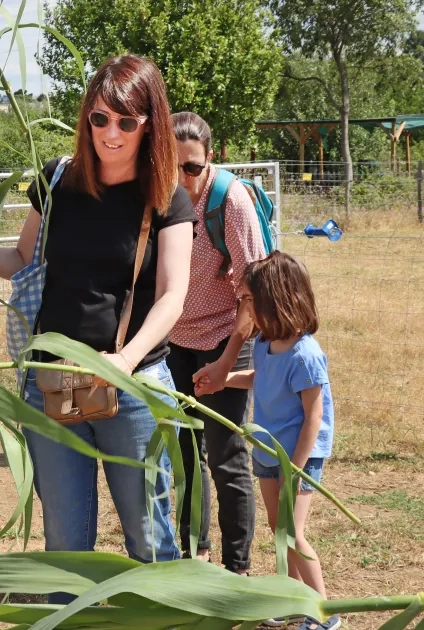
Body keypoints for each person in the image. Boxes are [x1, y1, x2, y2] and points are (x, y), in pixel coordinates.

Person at [0, 54, 194, 596]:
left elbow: (172, 296)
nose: (110, 133)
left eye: (126, 121)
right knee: (66, 544)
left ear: (150, 125)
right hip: (54, 382)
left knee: (149, 539)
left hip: (134, 386)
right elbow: (23, 259)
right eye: (100, 118)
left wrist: (124, 360)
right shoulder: (57, 181)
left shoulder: (166, 197)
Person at [209, 251, 338, 630]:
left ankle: (323, 612)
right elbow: (259, 377)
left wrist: (295, 468)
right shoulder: (266, 343)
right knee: (277, 529)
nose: (244, 307)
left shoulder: (305, 355)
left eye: (249, 299)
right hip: (268, 451)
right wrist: (222, 379)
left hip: (297, 458)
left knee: (292, 533)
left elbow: (314, 416)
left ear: (276, 299)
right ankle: (293, 599)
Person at [167, 111, 266, 573]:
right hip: (173, 342)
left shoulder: (231, 201)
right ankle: (195, 554)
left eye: (192, 167)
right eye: (172, 165)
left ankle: (237, 569)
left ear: (210, 159)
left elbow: (253, 292)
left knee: (226, 456)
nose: (182, 178)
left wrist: (227, 363)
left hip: (226, 335)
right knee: (185, 453)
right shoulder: (157, 195)